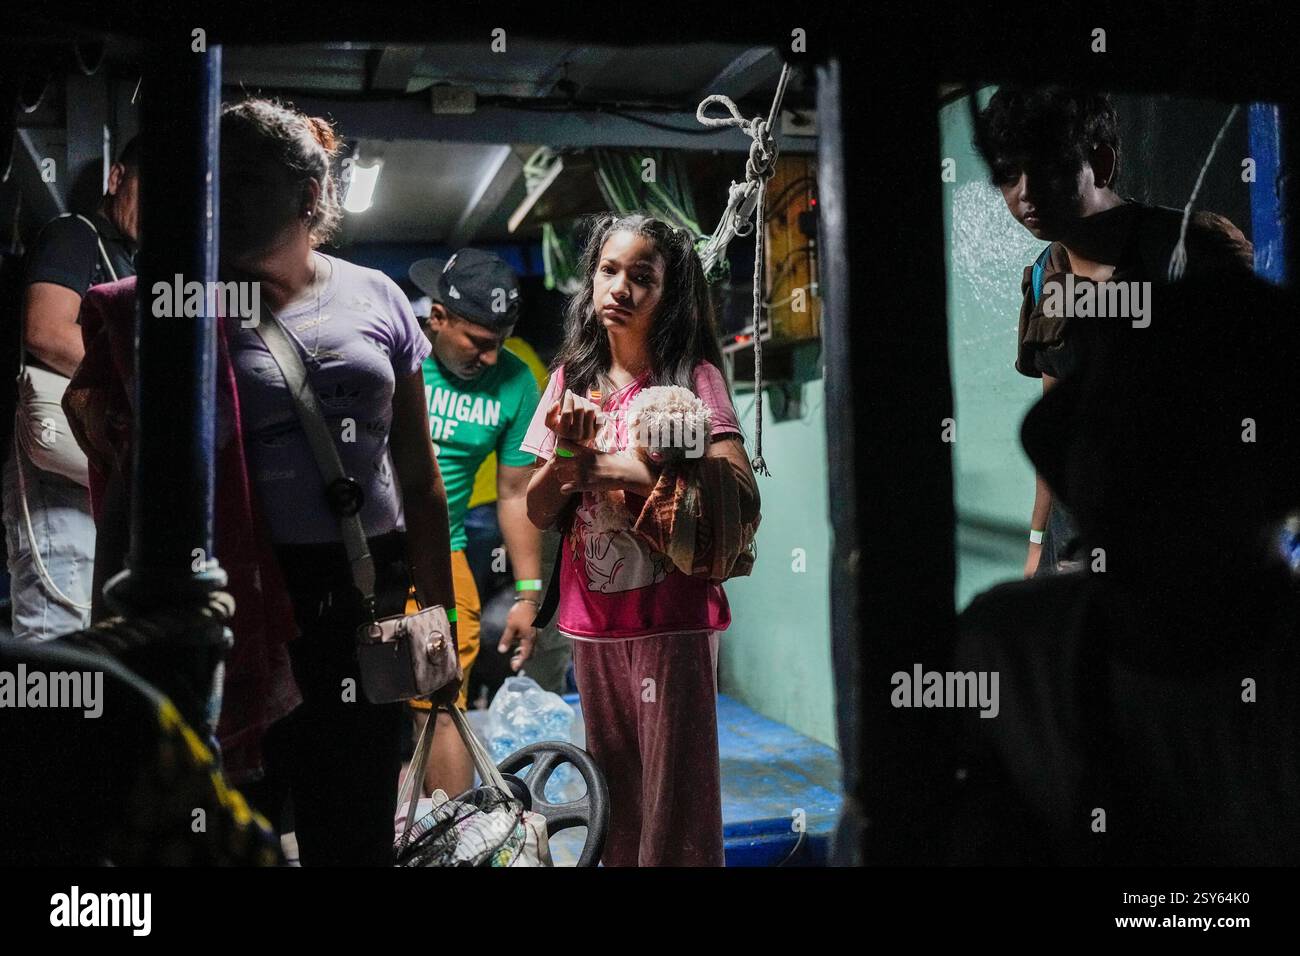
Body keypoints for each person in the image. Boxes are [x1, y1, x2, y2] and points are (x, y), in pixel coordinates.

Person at [69, 98, 458, 866]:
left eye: (248, 180)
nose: (225, 197)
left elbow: (417, 473)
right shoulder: (179, 311)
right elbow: (131, 480)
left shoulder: (376, 297)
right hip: (245, 602)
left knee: (353, 831)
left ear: (308, 196)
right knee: (236, 829)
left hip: (363, 602)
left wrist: (436, 610)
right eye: (219, 180)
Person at [949, 272, 1300, 865]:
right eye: (1116, 437)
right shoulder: (1008, 654)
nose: (1138, 480)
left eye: (1181, 450)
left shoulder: (1014, 657)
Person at [521, 212, 761, 866]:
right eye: (608, 270)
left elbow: (737, 493)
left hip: (674, 622)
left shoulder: (691, 380)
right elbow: (540, 508)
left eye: (642, 277)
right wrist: (569, 454)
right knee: (616, 802)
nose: (619, 288)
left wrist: (604, 466)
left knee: (677, 805)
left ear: (669, 293)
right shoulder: (571, 379)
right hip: (593, 625)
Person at [974, 87, 1254, 576]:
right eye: (1008, 174)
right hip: (1075, 554)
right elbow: (1058, 423)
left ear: (1100, 163)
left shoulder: (1191, 252)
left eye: (1047, 167)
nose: (1025, 192)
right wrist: (1039, 543)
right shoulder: (1047, 276)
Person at [404, 249, 545, 796]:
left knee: (440, 699)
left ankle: (451, 842)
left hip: (446, 550)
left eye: (499, 343)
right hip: (365, 545)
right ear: (437, 316)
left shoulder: (514, 383)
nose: (490, 358)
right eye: (478, 342)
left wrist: (528, 595)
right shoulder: (399, 356)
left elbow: (514, 492)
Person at [2, 136, 138, 640]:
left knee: (96, 637)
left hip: (95, 473)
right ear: (117, 179)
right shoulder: (76, 234)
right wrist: (145, 381)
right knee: (58, 628)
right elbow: (46, 330)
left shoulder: (136, 264)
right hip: (55, 468)